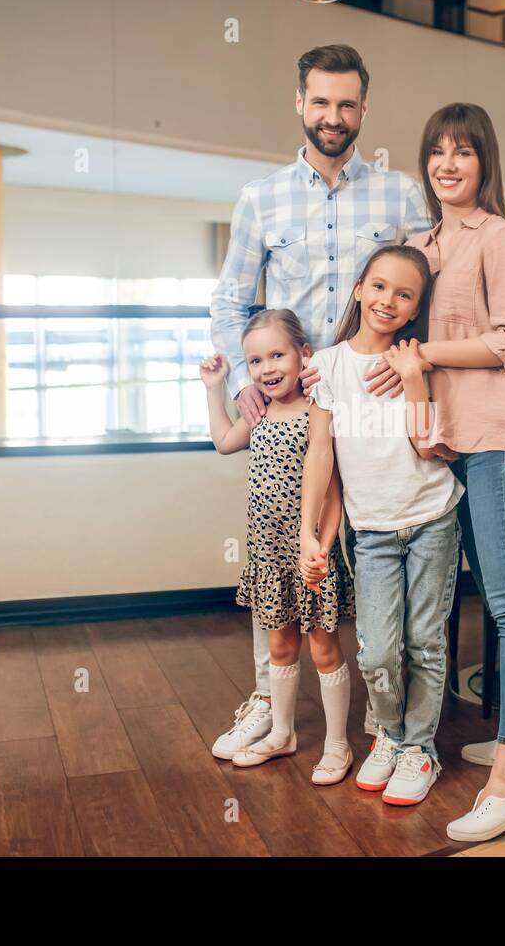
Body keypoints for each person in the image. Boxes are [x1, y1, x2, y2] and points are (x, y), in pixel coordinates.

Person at [208, 43, 505, 758]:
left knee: (373, 547)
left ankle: (378, 723)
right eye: (320, 102)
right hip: (293, 410)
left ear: (364, 109)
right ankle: (272, 707)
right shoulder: (259, 198)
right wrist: (243, 384)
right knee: (284, 558)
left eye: (347, 103)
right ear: (300, 104)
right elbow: (231, 300)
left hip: (384, 401)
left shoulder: (399, 195)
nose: (333, 116)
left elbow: (451, 250)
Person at [370, 103, 505, 842]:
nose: (449, 164)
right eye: (438, 152)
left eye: (465, 152)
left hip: (502, 437)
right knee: (499, 601)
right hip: (456, 438)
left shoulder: (502, 239)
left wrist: (425, 358)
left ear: (485, 163)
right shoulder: (423, 243)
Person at [300, 245, 463, 806]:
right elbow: (320, 455)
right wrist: (308, 534)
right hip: (369, 531)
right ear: (358, 290)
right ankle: (388, 736)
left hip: (432, 519)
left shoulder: (419, 360)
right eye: (378, 286)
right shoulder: (328, 366)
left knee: (424, 642)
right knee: (375, 650)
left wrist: (413, 374)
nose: (387, 300)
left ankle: (419, 749)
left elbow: (428, 443)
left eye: (404, 294)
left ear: (416, 308)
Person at [199, 309, 355, 785]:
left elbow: (333, 493)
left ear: (304, 355)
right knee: (280, 646)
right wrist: (214, 387)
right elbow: (225, 441)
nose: (267, 368)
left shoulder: (319, 413)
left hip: (310, 556)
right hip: (268, 556)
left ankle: (337, 745)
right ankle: (282, 734)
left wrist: (321, 550)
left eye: (277, 355)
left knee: (324, 649)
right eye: (255, 361)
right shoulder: (260, 411)